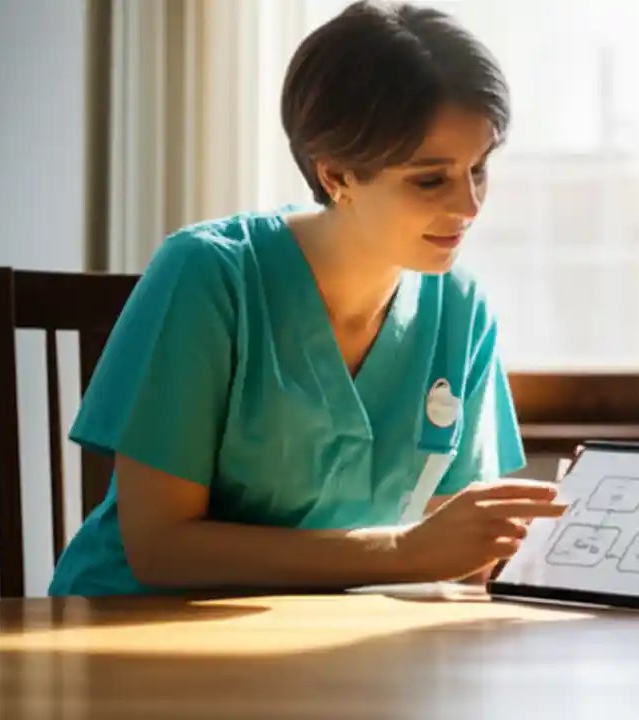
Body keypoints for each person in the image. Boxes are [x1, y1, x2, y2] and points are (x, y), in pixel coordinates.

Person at [49, 1, 566, 597]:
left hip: (323, 647)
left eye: (479, 168)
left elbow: (451, 555)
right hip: (129, 638)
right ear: (336, 175)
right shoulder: (209, 274)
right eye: (431, 178)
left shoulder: (461, 310)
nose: (470, 206)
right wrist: (402, 550)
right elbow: (160, 549)